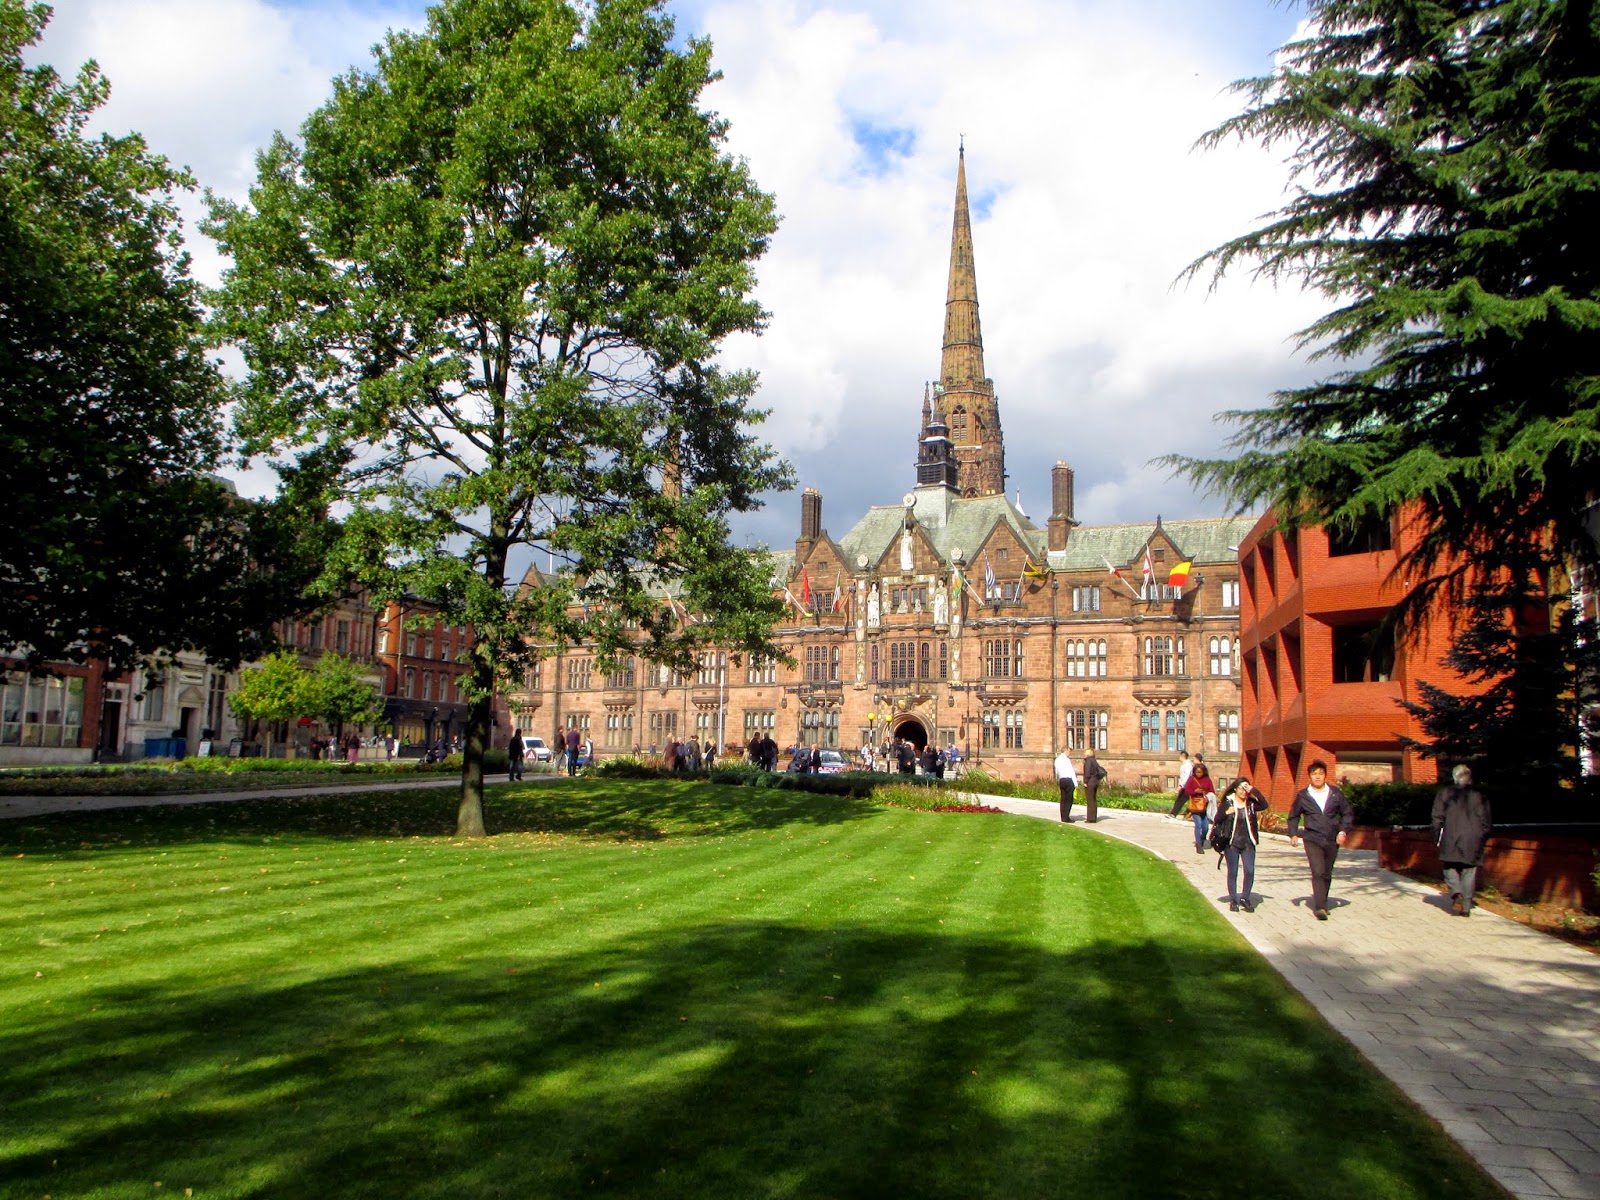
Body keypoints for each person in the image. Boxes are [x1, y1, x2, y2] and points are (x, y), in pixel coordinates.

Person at [1287, 760, 1354, 921]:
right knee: (1318, 871)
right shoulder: (1303, 796)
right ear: (1310, 776)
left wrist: (1343, 831)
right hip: (1312, 838)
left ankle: (1323, 902)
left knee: (1327, 873)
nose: (1317, 777)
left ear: (1325, 775)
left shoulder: (1335, 794)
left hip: (1331, 838)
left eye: (1320, 773)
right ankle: (1320, 907)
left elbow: (1348, 813)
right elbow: (1293, 816)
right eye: (1314, 774)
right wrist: (1293, 834)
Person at [1431, 764, 1491, 917]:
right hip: (1473, 838)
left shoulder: (1445, 793)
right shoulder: (1480, 796)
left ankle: (1456, 892)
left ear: (1454, 777)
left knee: (1449, 867)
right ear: (1470, 777)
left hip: (1451, 836)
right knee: (1469, 871)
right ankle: (1466, 907)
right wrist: (1482, 836)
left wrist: (1435, 837)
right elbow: (1486, 821)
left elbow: (1437, 817)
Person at [1214, 776, 1269, 912]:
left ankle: (1245, 897)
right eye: (1241, 788)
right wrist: (1227, 813)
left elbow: (1264, 804)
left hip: (1248, 843)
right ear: (1235, 789)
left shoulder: (1250, 803)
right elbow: (1217, 818)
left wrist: (1254, 790)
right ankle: (1233, 900)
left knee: (1249, 871)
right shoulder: (1228, 803)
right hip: (1231, 843)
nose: (1244, 792)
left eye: (1246, 789)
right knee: (1233, 872)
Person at [1180, 761, 1217, 853]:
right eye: (1197, 772)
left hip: (1205, 806)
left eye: (1200, 772)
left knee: (1205, 827)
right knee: (1198, 825)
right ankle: (1199, 845)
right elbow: (1187, 791)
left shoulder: (1207, 780)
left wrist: (1205, 793)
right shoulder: (1191, 779)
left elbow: (1212, 791)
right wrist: (1195, 791)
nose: (1198, 774)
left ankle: (1202, 839)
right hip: (1195, 806)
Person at [1081, 747, 1108, 823]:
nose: (1084, 754)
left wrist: (1085, 781)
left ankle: (1090, 818)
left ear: (1089, 753)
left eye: (1085, 752)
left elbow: (1088, 772)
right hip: (1095, 781)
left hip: (1090, 782)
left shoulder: (1088, 761)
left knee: (1090, 800)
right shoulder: (1094, 760)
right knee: (1093, 800)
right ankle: (1093, 817)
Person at [1053, 746, 1077, 823]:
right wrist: (1075, 783)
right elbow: (1071, 772)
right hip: (1068, 780)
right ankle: (1066, 817)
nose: (1070, 753)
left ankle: (1063, 816)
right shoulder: (1066, 760)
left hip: (1062, 779)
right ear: (1066, 750)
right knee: (1068, 799)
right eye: (1069, 751)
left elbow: (1056, 771)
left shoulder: (1057, 759)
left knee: (1063, 798)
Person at [1168, 750, 1194, 819]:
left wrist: (1181, 785)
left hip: (1187, 786)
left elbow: (1187, 776)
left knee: (1180, 800)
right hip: (1185, 786)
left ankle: (1173, 814)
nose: (1179, 757)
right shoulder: (1184, 764)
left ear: (1183, 756)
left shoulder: (1187, 765)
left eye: (1180, 756)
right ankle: (1177, 813)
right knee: (1182, 800)